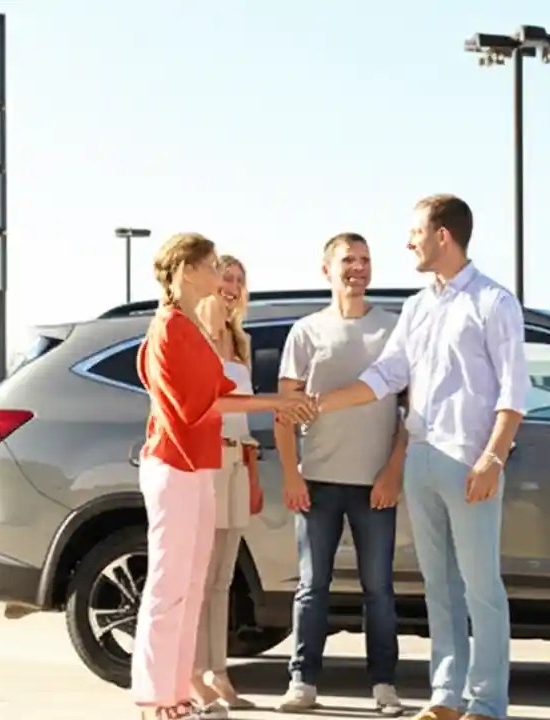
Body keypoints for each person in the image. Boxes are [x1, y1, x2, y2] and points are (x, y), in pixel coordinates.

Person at [313, 195, 528, 720]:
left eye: (415, 232)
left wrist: (492, 461)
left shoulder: (494, 303)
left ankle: (488, 702)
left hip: (469, 462)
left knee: (481, 587)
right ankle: (446, 696)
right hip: (422, 460)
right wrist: (318, 405)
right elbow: (387, 376)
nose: (408, 241)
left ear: (443, 236)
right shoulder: (418, 306)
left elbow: (513, 392)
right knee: (440, 587)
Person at [132, 232, 317, 720]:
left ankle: (178, 692)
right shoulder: (169, 328)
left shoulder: (189, 329)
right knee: (169, 584)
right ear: (188, 270)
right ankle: (156, 698)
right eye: (213, 265)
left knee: (192, 584)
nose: (221, 274)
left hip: (201, 466)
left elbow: (220, 399)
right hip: (174, 466)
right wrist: (278, 402)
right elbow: (202, 405)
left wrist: (276, 406)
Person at [273, 233, 407, 717]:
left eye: (365, 259)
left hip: (375, 484)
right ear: (326, 269)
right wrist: (291, 473)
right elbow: (284, 412)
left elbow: (411, 411)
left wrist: (394, 470)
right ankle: (302, 682)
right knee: (312, 586)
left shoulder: (395, 329)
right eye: (347, 260)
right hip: (319, 482)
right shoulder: (307, 332)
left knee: (379, 589)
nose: (358, 267)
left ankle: (385, 686)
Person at [189, 255, 259, 717]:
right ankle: (192, 672)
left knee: (222, 579)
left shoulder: (242, 342)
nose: (230, 287)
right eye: (223, 278)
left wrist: (252, 476)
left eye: (237, 280)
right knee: (198, 575)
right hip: (205, 463)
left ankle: (219, 670)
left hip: (238, 459)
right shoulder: (194, 338)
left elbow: (245, 414)